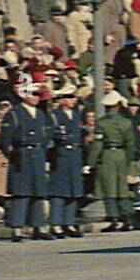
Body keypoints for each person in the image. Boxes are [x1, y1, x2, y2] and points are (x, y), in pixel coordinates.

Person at [0, 82, 54, 241]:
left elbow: (46, 134)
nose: (36, 98)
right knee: (21, 193)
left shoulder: (41, 114)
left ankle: (38, 226)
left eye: (37, 95)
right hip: (21, 153)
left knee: (38, 192)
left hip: (37, 153)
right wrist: (12, 154)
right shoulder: (15, 113)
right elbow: (5, 138)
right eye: (32, 94)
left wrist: (43, 149)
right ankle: (16, 228)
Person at [87, 91, 138, 232]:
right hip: (121, 155)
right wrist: (127, 160)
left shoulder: (102, 123)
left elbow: (97, 144)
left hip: (107, 155)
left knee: (109, 187)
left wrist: (90, 162)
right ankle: (127, 218)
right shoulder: (126, 122)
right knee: (122, 188)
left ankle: (113, 219)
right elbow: (130, 144)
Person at [47, 87, 85, 238]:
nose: (72, 100)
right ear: (61, 99)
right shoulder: (55, 116)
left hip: (75, 154)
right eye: (69, 97)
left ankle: (68, 222)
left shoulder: (76, 115)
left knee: (74, 190)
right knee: (59, 191)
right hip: (61, 154)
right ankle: (56, 224)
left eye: (73, 97)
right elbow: (52, 135)